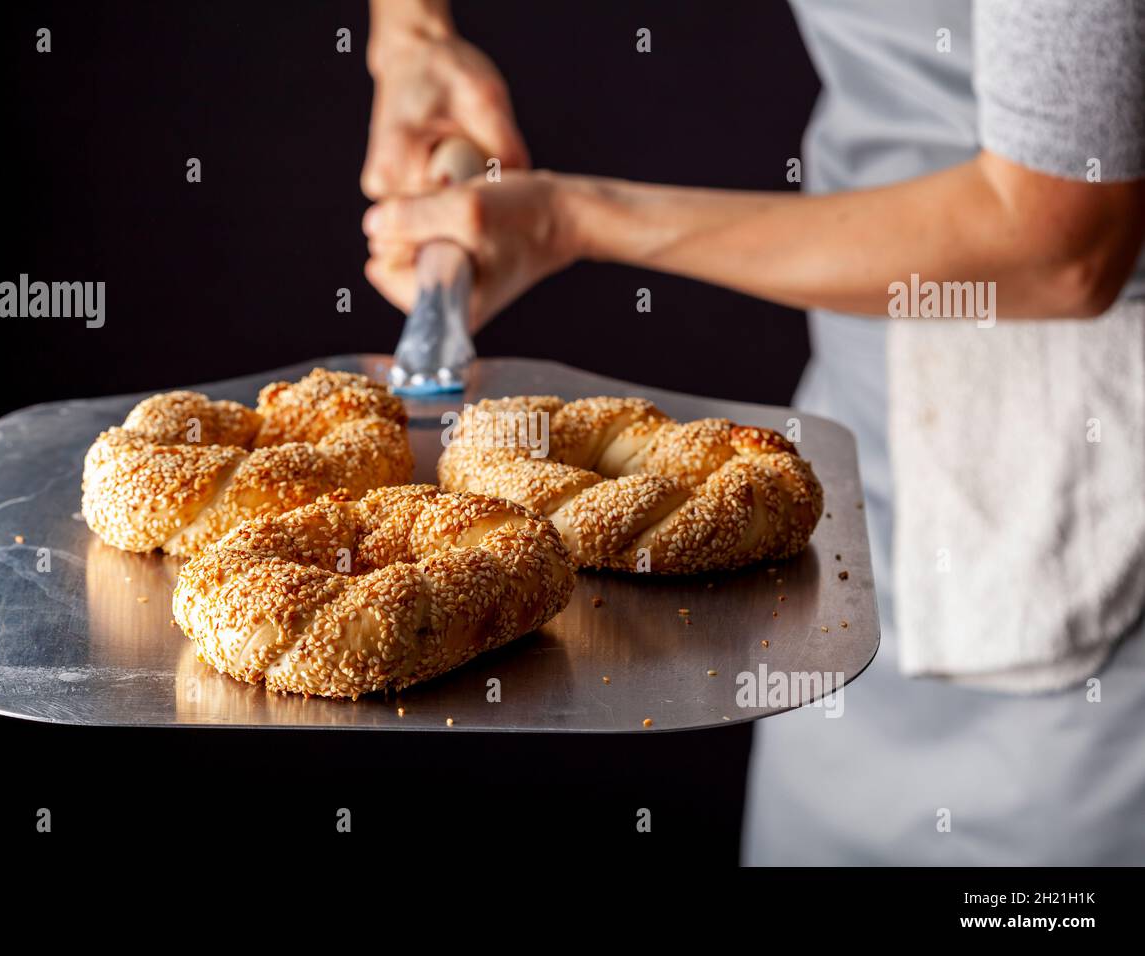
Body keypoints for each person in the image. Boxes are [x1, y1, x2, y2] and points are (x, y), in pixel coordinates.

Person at [361, 0, 1145, 864]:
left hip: (1078, 474)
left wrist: (569, 219)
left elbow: (1061, 247)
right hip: (861, 418)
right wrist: (414, 35)